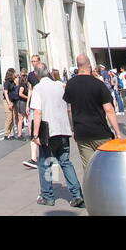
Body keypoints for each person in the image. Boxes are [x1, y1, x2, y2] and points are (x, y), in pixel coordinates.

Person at [30, 68, 85, 207]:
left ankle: (47, 196)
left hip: (49, 132)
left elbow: (37, 112)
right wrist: (71, 126)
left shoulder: (38, 88)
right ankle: (77, 194)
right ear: (48, 72)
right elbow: (69, 107)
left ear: (36, 75)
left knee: (45, 164)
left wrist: (35, 134)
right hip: (63, 129)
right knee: (65, 162)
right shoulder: (60, 85)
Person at [63, 54, 122, 179]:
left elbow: (69, 110)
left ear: (78, 67)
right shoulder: (98, 84)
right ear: (89, 65)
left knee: (89, 168)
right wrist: (117, 132)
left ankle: (93, 194)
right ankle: (109, 194)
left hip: (82, 133)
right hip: (100, 131)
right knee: (107, 167)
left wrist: (73, 128)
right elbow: (109, 110)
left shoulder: (70, 84)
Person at [1, 68, 19, 140]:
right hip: (7, 101)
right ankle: (6, 134)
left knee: (13, 118)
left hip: (13, 101)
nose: (15, 74)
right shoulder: (7, 82)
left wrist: (17, 83)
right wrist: (9, 102)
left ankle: (11, 133)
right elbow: (5, 93)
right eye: (14, 73)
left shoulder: (13, 81)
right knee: (9, 117)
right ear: (11, 74)